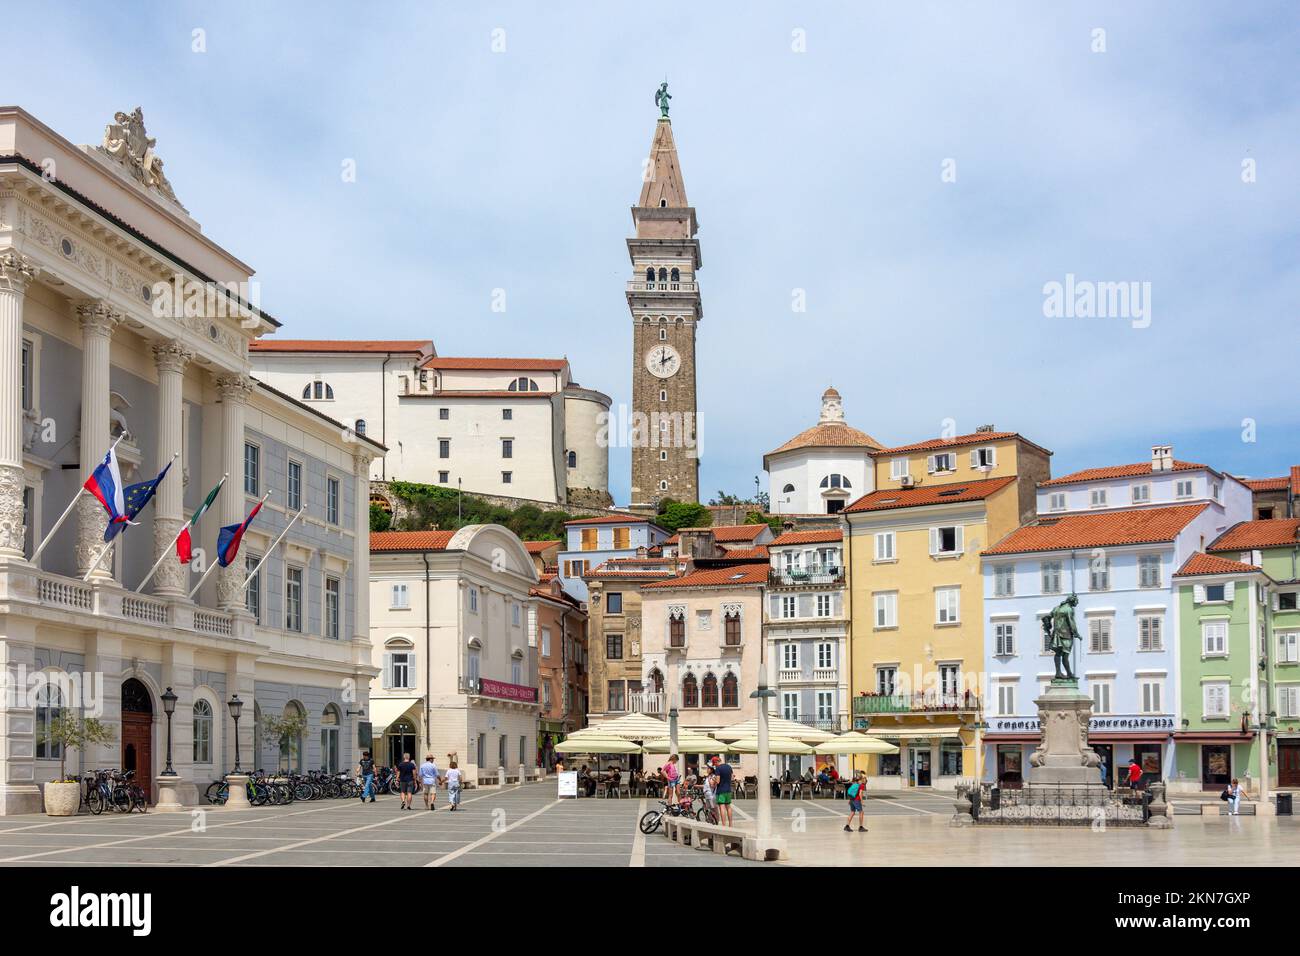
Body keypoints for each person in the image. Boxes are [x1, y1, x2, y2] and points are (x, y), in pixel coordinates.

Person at [713, 755, 735, 827]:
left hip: (721, 791)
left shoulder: (718, 769)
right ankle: (731, 824)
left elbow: (718, 781)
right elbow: (732, 778)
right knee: (728, 806)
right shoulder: (728, 766)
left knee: (722, 807)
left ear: (716, 762)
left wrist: (714, 780)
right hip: (728, 790)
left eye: (714, 764)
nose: (714, 766)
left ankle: (723, 825)